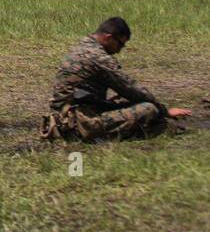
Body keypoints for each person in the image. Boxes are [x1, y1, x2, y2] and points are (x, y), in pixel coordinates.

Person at [41, 17, 192, 142]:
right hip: (76, 123)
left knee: (126, 103)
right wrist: (164, 111)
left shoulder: (83, 46)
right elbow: (130, 88)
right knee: (148, 109)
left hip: (66, 116)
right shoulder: (98, 57)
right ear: (108, 37)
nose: (119, 50)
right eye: (120, 44)